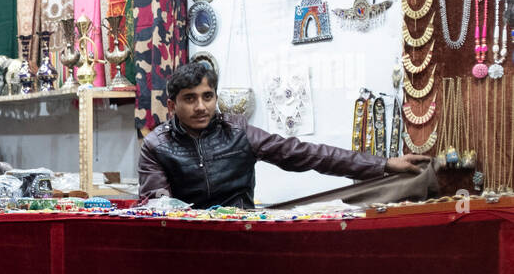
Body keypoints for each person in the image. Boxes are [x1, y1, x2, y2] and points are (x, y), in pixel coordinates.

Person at [137, 61, 431, 209]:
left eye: (207, 96)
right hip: (186, 245)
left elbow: (309, 154)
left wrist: (384, 165)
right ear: (173, 105)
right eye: (190, 99)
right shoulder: (156, 145)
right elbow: (159, 206)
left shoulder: (238, 132)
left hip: (243, 237)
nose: (201, 107)